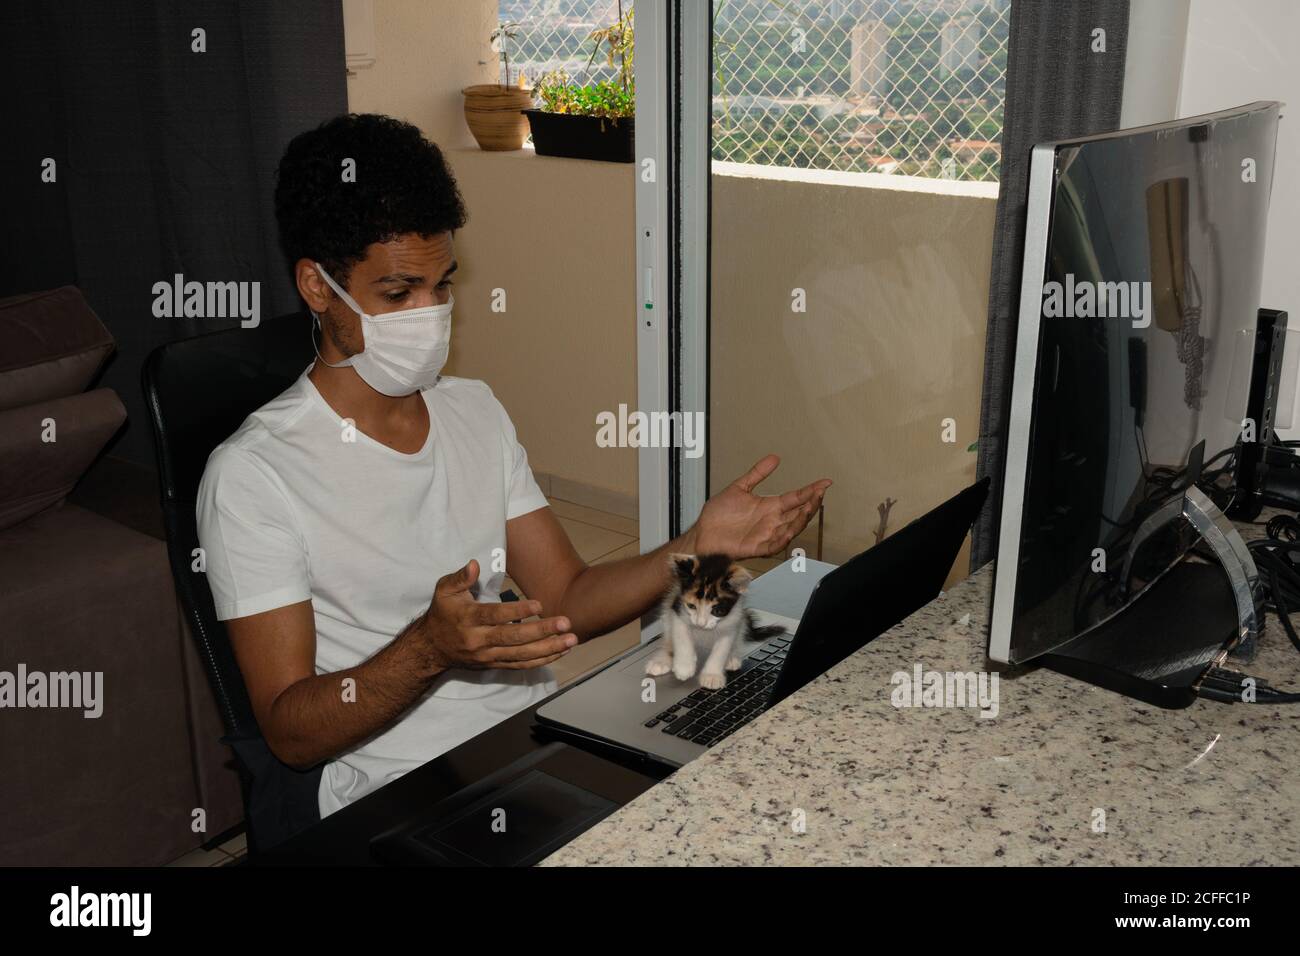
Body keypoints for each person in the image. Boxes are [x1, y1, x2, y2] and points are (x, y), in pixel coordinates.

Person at [196, 113, 831, 818]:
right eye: (400, 293)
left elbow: (564, 598)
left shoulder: (474, 410)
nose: (431, 314)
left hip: (534, 742)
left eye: (444, 286)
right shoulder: (254, 475)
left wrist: (697, 549)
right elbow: (288, 733)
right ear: (317, 287)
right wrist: (429, 651)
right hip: (402, 792)